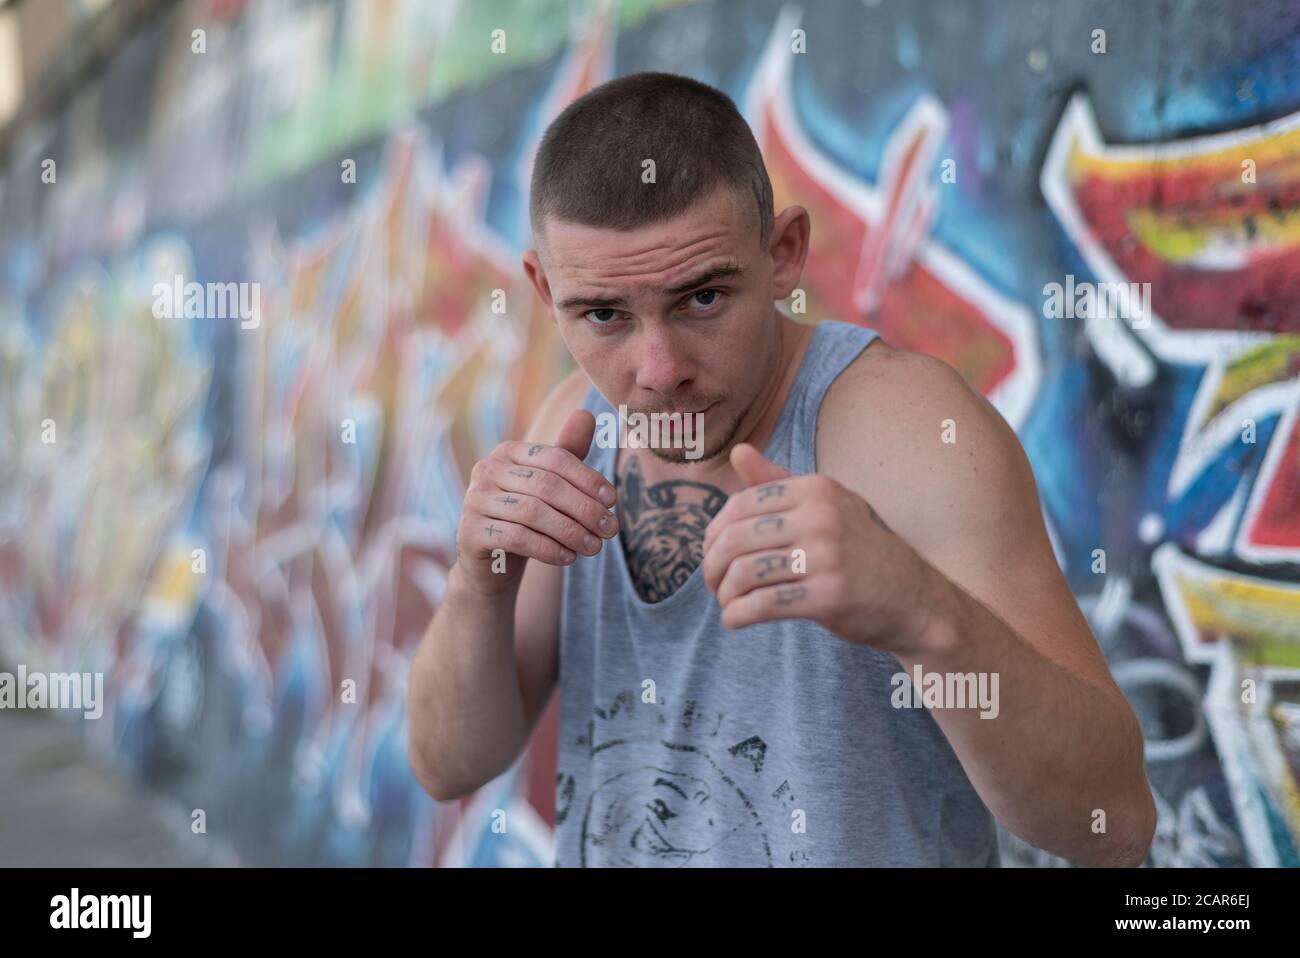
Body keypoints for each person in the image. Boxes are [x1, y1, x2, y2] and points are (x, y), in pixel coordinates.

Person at [408, 71, 1156, 867]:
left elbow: (1111, 823)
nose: (658, 370)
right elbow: (449, 763)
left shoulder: (904, 431)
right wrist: (476, 588)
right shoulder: (573, 427)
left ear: (785, 254)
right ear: (544, 289)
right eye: (603, 315)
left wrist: (921, 612)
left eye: (701, 299)